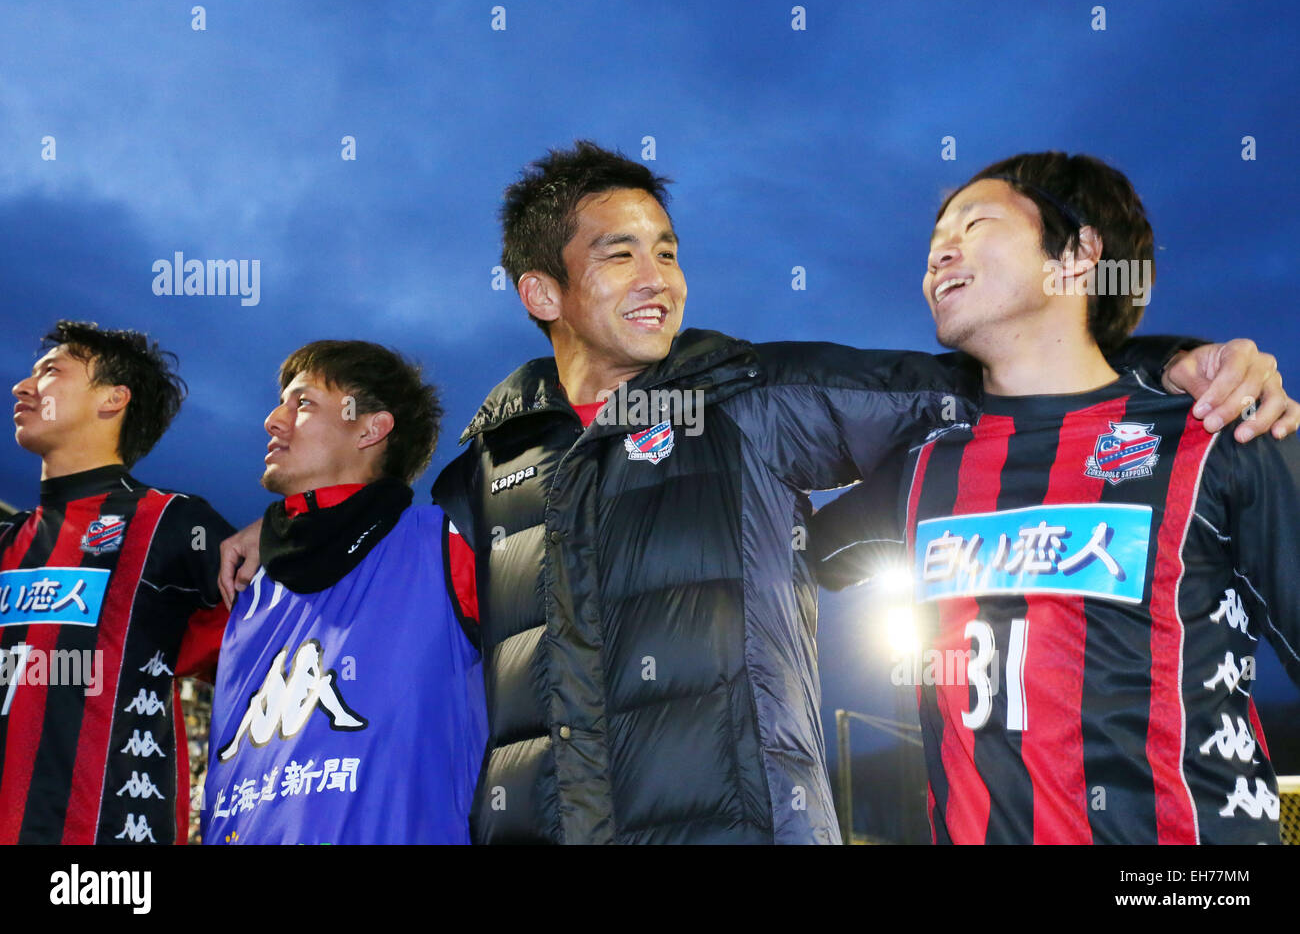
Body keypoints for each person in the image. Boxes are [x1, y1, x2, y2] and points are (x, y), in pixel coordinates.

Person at [222, 142, 1293, 844]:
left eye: (669, 250)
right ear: (541, 291)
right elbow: (366, 579)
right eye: (619, 254)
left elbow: (1003, 381)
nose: (659, 276)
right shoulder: (480, 474)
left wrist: (1169, 365)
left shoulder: (750, 394)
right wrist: (262, 536)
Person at [815, 152, 1300, 843]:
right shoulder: (921, 469)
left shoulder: (1224, 432)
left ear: (1076, 255)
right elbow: (767, 545)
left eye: (974, 223)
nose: (938, 255)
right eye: (931, 245)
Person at [202, 340, 485, 844]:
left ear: (372, 428)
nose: (272, 420)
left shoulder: (446, 543)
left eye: (303, 402)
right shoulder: (250, 587)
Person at [2, 320, 233, 844]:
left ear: (113, 398)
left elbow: (272, 660)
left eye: (49, 372)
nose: (22, 386)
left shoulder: (175, 524)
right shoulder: (7, 544)